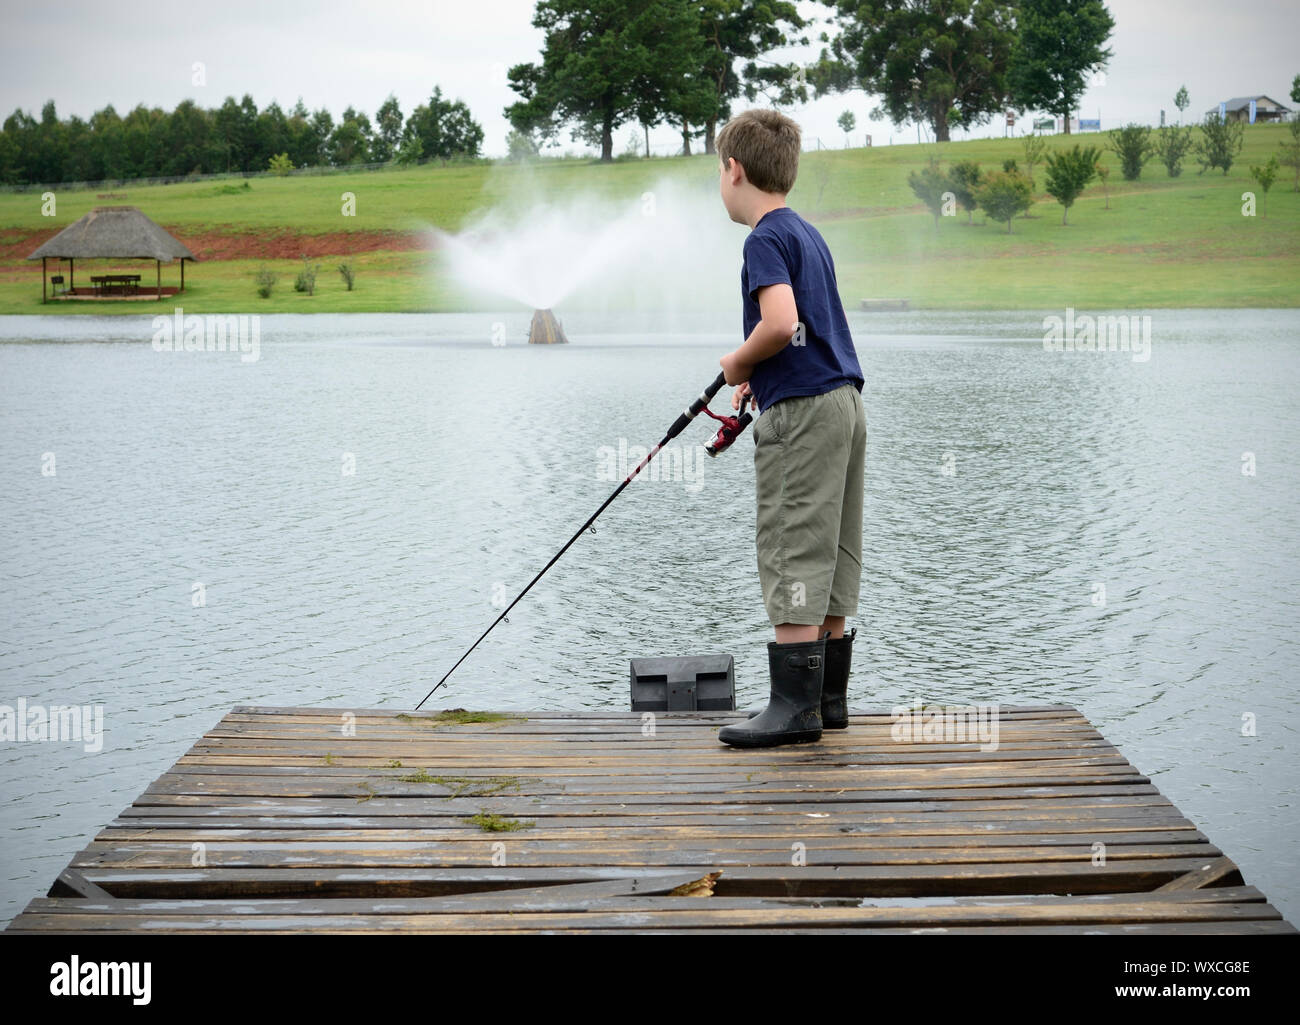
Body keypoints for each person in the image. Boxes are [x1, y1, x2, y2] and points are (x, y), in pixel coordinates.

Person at [714, 109, 867, 748]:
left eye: (718, 173)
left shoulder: (762, 240)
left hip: (803, 416)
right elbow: (807, 331)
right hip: (845, 404)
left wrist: (738, 363)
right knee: (831, 550)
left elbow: (779, 322)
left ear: (735, 170)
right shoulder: (806, 233)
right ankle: (827, 702)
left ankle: (792, 710)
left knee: (791, 544)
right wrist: (762, 375)